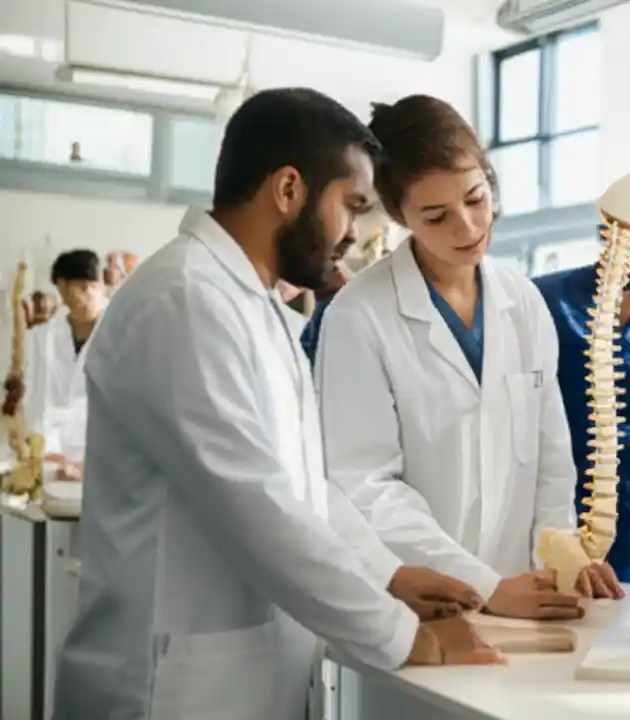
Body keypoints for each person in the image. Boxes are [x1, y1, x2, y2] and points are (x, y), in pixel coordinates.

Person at [54, 88, 501, 720]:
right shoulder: (185, 300)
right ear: (289, 190)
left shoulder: (252, 304)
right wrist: (407, 637)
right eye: (351, 206)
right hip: (170, 689)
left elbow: (301, 487)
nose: (353, 234)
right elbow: (257, 507)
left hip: (238, 675)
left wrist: (388, 575)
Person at [315, 94, 623, 623]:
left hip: (525, 597)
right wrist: (484, 585)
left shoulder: (523, 301)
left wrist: (563, 557)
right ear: (399, 214)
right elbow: (364, 486)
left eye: (476, 199)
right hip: (416, 609)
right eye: (436, 216)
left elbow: (551, 458)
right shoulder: (358, 315)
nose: (467, 227)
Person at [533, 175, 630, 584]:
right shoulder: (544, 300)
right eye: (612, 234)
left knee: (623, 609)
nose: (626, 251)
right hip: (548, 497)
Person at [23, 249, 108, 478]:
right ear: (62, 287)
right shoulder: (43, 338)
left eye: (94, 287)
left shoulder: (121, 333)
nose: (89, 295)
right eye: (82, 287)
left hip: (103, 456)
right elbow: (34, 399)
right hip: (51, 454)